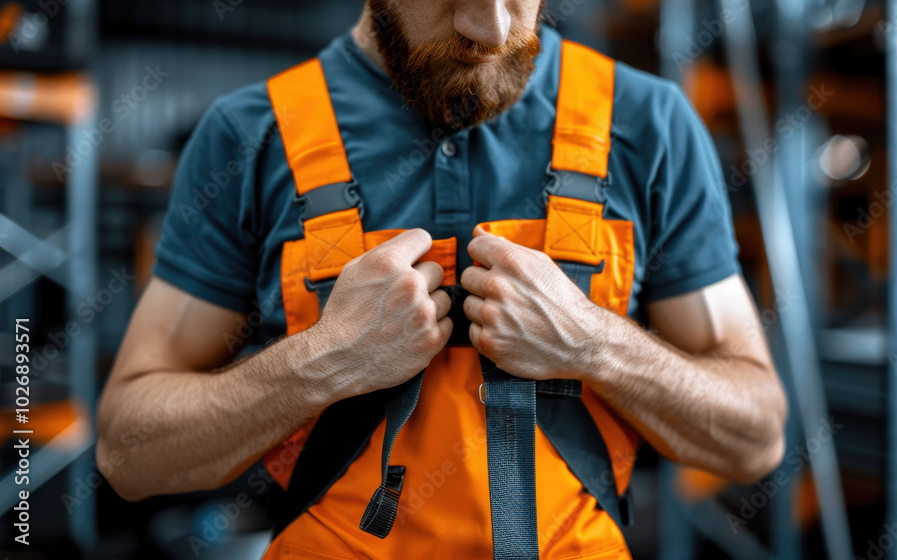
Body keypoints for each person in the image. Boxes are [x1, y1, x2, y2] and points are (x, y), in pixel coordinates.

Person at [96, 1, 787, 558]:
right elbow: (130, 455)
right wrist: (325, 359)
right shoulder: (251, 134)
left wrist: (595, 345)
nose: (490, 27)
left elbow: (755, 438)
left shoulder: (649, 124)